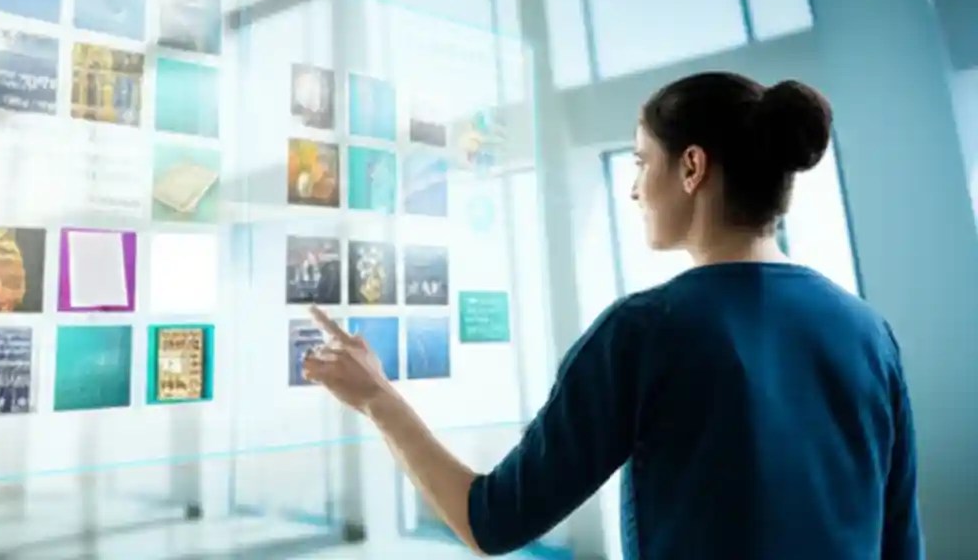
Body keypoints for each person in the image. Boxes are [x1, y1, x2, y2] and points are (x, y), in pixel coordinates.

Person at [303, 72, 922, 559]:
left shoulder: (647, 331)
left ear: (691, 168)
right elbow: (899, 544)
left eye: (639, 162)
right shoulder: (869, 332)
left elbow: (490, 520)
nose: (632, 189)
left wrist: (377, 398)